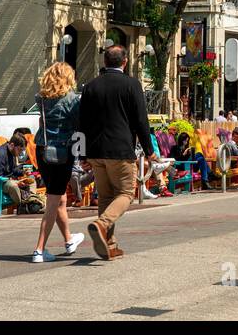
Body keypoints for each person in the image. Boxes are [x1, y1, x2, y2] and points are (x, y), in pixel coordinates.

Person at [79, 45, 156, 260]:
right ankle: (102, 224)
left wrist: (82, 155)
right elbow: (141, 120)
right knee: (126, 194)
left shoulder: (91, 86)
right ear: (125, 62)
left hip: (95, 150)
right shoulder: (131, 84)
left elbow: (82, 122)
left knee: (105, 196)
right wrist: (149, 151)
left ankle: (109, 244)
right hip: (120, 150)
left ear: (105, 62)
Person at [31, 62, 85, 263]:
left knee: (60, 197)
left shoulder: (42, 99)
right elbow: (80, 128)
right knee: (53, 200)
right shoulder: (72, 100)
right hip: (64, 151)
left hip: (43, 149)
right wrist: (83, 154)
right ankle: (39, 249)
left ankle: (69, 240)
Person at [0, 132, 32, 207]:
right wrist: (16, 182)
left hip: (2, 181)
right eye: (19, 150)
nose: (20, 153)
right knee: (13, 186)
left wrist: (23, 173)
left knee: (32, 181)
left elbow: (13, 170)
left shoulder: (11, 153)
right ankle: (25, 205)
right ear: (12, 145)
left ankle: (29, 202)